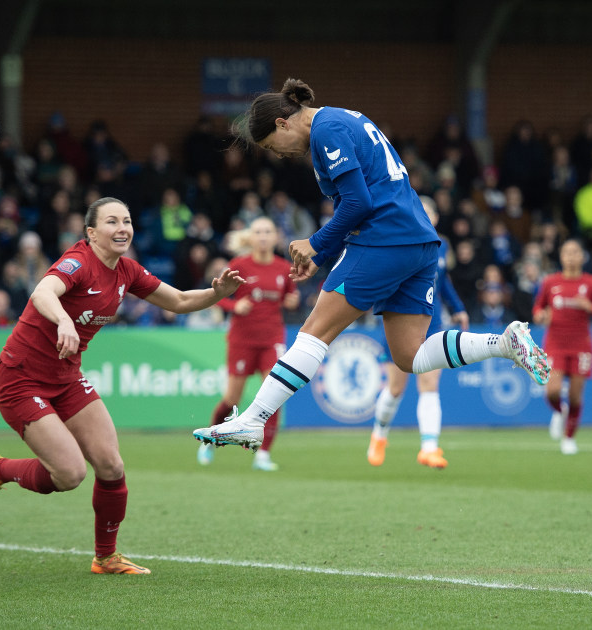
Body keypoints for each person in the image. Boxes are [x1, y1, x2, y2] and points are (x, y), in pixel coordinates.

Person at [193, 78, 550, 451]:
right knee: (410, 355)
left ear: (283, 123)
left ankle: (253, 420)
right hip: (417, 241)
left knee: (314, 332)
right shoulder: (340, 121)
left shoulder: (326, 130)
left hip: (384, 238)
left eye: (271, 146)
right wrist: (324, 256)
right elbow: (359, 199)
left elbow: (359, 204)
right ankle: (504, 343)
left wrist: (315, 244)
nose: (278, 156)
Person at [0, 196, 244, 575]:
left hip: (65, 378)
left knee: (111, 465)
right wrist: (63, 321)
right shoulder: (78, 262)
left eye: (127, 221)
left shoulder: (126, 271)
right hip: (21, 378)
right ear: (91, 232)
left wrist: (218, 294)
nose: (122, 228)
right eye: (112, 222)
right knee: (69, 475)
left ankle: (106, 557)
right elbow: (42, 292)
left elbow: (178, 300)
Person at [368, 197, 468, 469]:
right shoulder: (396, 240)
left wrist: (458, 308)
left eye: (430, 212)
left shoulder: (442, 245)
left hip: (432, 322)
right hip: (400, 322)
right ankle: (379, 435)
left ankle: (429, 448)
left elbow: (443, 281)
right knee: (396, 388)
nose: (425, 215)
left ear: (436, 217)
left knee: (429, 385)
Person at [197, 217, 300, 471]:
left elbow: (290, 295)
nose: (263, 236)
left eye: (268, 231)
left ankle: (263, 454)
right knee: (232, 397)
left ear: (276, 237)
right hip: (242, 340)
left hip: (271, 341)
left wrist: (292, 300)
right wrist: (234, 305)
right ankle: (210, 440)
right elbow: (216, 296)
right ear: (250, 238)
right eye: (258, 232)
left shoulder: (282, 267)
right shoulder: (239, 265)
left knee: (274, 395)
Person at [532, 239, 592, 455]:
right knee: (552, 391)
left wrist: (590, 307)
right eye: (566, 252)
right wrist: (540, 316)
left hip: (581, 346)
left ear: (582, 256)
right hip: (555, 344)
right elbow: (538, 307)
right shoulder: (550, 282)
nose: (570, 256)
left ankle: (569, 438)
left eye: (575, 252)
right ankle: (560, 411)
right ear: (561, 256)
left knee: (576, 396)